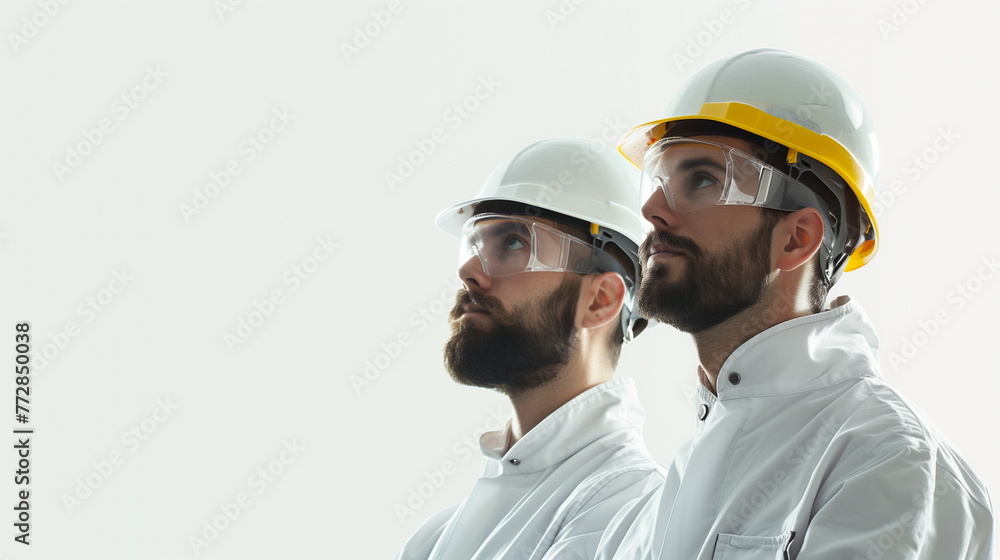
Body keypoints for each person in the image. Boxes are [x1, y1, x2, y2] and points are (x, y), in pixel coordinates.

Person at [597, 49, 994, 559]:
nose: (653, 209)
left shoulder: (887, 458)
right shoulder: (654, 508)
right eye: (659, 181)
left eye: (702, 180)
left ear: (797, 238)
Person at [394, 138, 665, 560]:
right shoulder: (435, 538)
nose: (469, 270)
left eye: (514, 243)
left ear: (601, 300)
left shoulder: (630, 507)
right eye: (474, 244)